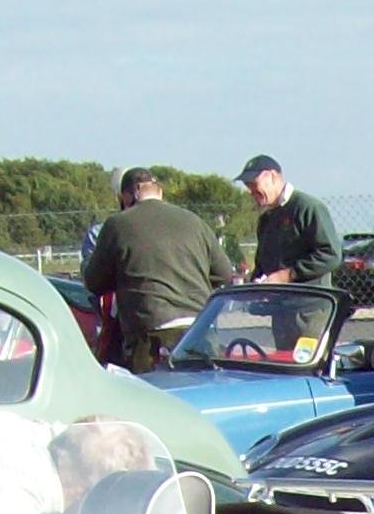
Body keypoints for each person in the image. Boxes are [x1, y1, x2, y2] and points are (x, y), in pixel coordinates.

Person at [82, 169, 234, 371]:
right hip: (198, 329)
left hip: (150, 331)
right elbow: (224, 274)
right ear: (159, 192)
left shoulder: (117, 225)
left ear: (127, 196)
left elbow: (94, 282)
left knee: (150, 389)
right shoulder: (195, 221)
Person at [238, 156, 342, 286]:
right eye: (247, 185)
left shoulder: (307, 208)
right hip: (275, 297)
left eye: (253, 184)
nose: (250, 191)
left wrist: (289, 275)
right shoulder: (266, 219)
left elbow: (331, 255)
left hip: (308, 297)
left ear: (272, 177)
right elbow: (261, 266)